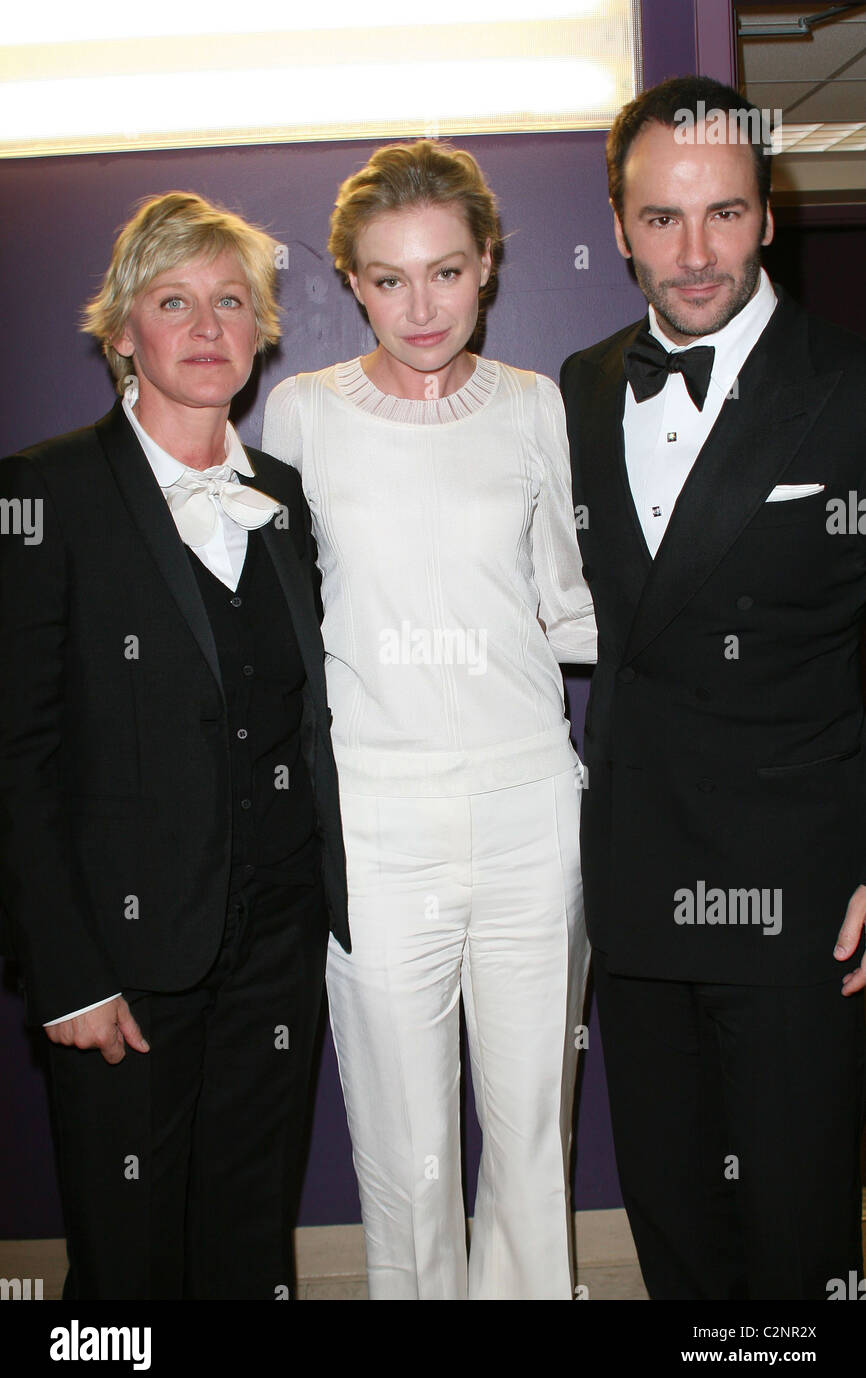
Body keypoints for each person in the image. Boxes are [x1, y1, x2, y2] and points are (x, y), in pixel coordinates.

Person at [263, 139, 596, 1300]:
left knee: (529, 1127)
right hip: (373, 822)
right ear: (350, 280)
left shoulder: (536, 407)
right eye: (389, 278)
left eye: (445, 273)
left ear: (489, 265)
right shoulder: (297, 414)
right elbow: (282, 630)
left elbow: (571, 607)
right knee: (404, 1148)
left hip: (525, 806)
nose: (420, 306)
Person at [0, 191, 349, 1300]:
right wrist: (66, 975)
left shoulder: (284, 500)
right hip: (122, 963)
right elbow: (15, 753)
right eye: (174, 301)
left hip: (274, 947)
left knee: (248, 1241)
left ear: (260, 334)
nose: (207, 326)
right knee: (126, 1258)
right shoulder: (44, 491)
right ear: (122, 335)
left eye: (231, 302)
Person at [560, 75, 866, 1301]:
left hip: (795, 888)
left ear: (768, 215)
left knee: (793, 1238)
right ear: (620, 222)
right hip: (634, 884)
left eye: (725, 214)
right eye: (662, 218)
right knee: (675, 1223)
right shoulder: (577, 388)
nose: (694, 255)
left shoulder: (847, 387)